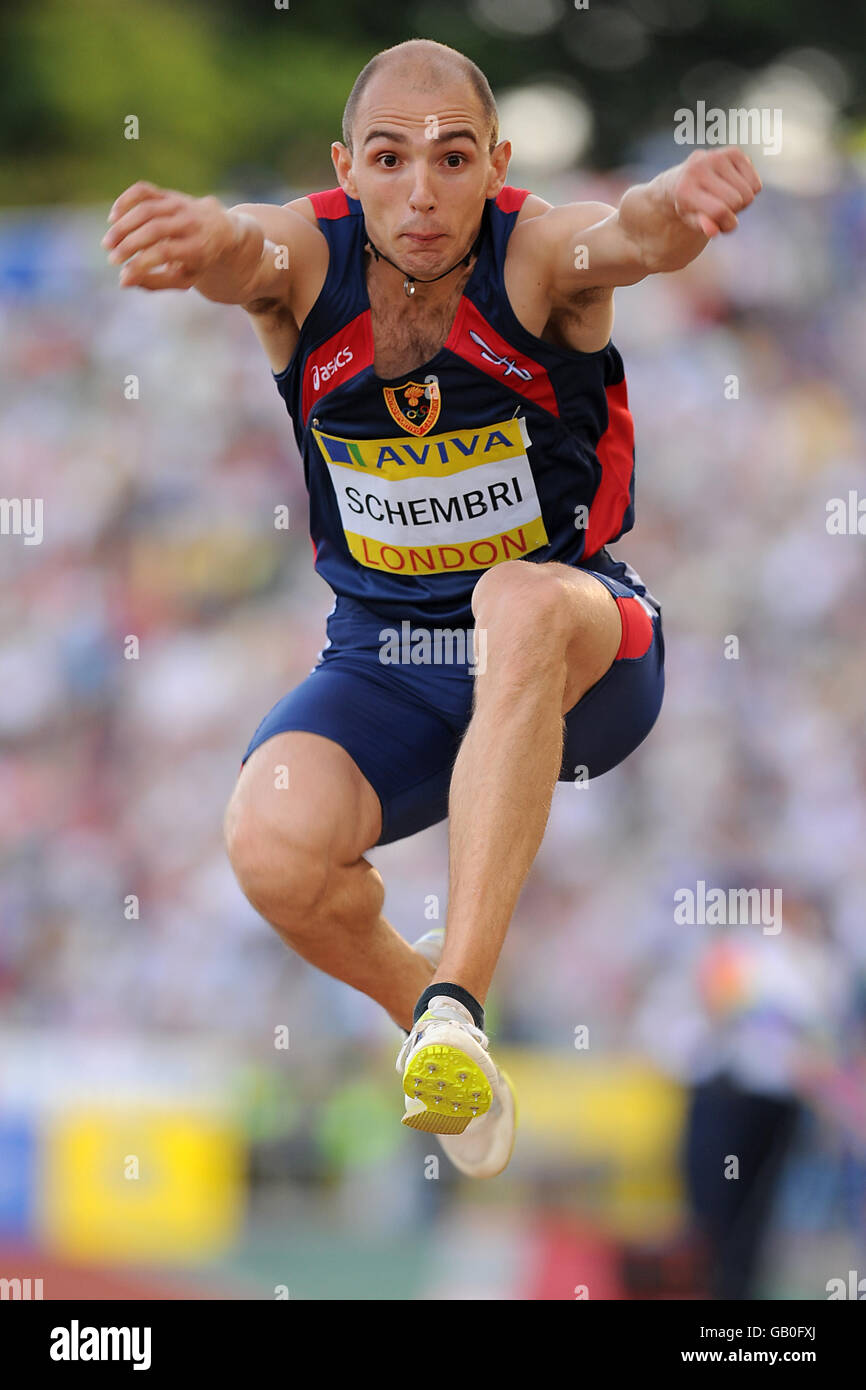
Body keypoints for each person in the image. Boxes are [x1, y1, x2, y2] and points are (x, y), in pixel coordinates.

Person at [102, 38, 761, 1180]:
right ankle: (440, 1035)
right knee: (269, 846)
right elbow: (238, 248)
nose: (422, 193)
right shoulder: (307, 262)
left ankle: (458, 993)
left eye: (454, 161)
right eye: (390, 160)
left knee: (513, 596)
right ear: (344, 168)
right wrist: (196, 236)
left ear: (496, 163)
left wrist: (682, 205)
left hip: (579, 640)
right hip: (387, 658)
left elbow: (633, 232)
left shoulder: (540, 255)